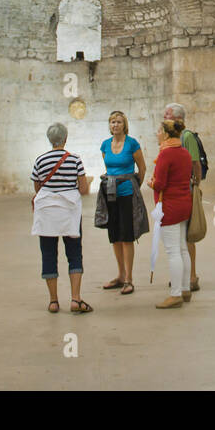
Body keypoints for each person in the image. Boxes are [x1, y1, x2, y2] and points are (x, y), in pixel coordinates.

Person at [31, 122, 93, 314]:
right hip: (69, 212)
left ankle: (53, 301)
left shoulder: (40, 160)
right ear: (65, 139)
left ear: (49, 139)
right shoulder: (74, 159)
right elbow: (83, 189)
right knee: (74, 253)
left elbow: (38, 188)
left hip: (47, 213)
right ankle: (75, 299)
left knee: (48, 254)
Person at [147, 118, 193, 309]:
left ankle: (175, 295)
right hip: (184, 204)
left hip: (170, 207)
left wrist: (151, 183)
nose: (157, 133)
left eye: (159, 130)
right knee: (182, 248)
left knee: (173, 251)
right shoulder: (184, 152)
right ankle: (185, 288)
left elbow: (160, 184)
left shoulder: (166, 154)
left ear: (166, 133)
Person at [99, 110, 146, 295]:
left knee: (127, 236)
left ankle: (129, 279)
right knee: (115, 236)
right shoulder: (105, 145)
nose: (115, 125)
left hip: (127, 193)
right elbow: (108, 167)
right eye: (112, 122)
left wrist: (135, 186)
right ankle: (120, 275)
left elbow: (142, 167)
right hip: (111, 194)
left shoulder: (132, 143)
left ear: (124, 124)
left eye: (118, 122)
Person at [164, 102, 202, 291]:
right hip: (180, 191)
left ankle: (192, 276)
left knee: (188, 236)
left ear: (178, 118)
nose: (165, 117)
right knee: (181, 238)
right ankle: (184, 277)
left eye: (168, 114)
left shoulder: (187, 137)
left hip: (186, 191)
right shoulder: (174, 138)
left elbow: (195, 164)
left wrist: (195, 186)